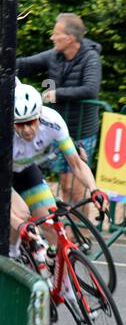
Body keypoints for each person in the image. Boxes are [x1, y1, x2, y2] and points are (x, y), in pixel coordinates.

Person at [10, 82, 107, 262]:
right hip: (4, 177)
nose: (27, 130)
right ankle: (12, 255)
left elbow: (76, 164)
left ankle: (61, 282)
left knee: (52, 226)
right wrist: (19, 224)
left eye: (31, 122)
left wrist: (95, 190)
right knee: (21, 215)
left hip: (26, 171)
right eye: (20, 125)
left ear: (39, 115)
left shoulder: (52, 121)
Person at [17, 13, 103, 204]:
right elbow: (24, 65)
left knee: (75, 186)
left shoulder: (90, 58)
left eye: (56, 34)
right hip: (59, 128)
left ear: (70, 38)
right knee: (65, 184)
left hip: (81, 129)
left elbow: (91, 89)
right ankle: (70, 231)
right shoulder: (55, 55)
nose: (52, 38)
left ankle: (82, 231)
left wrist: (57, 94)